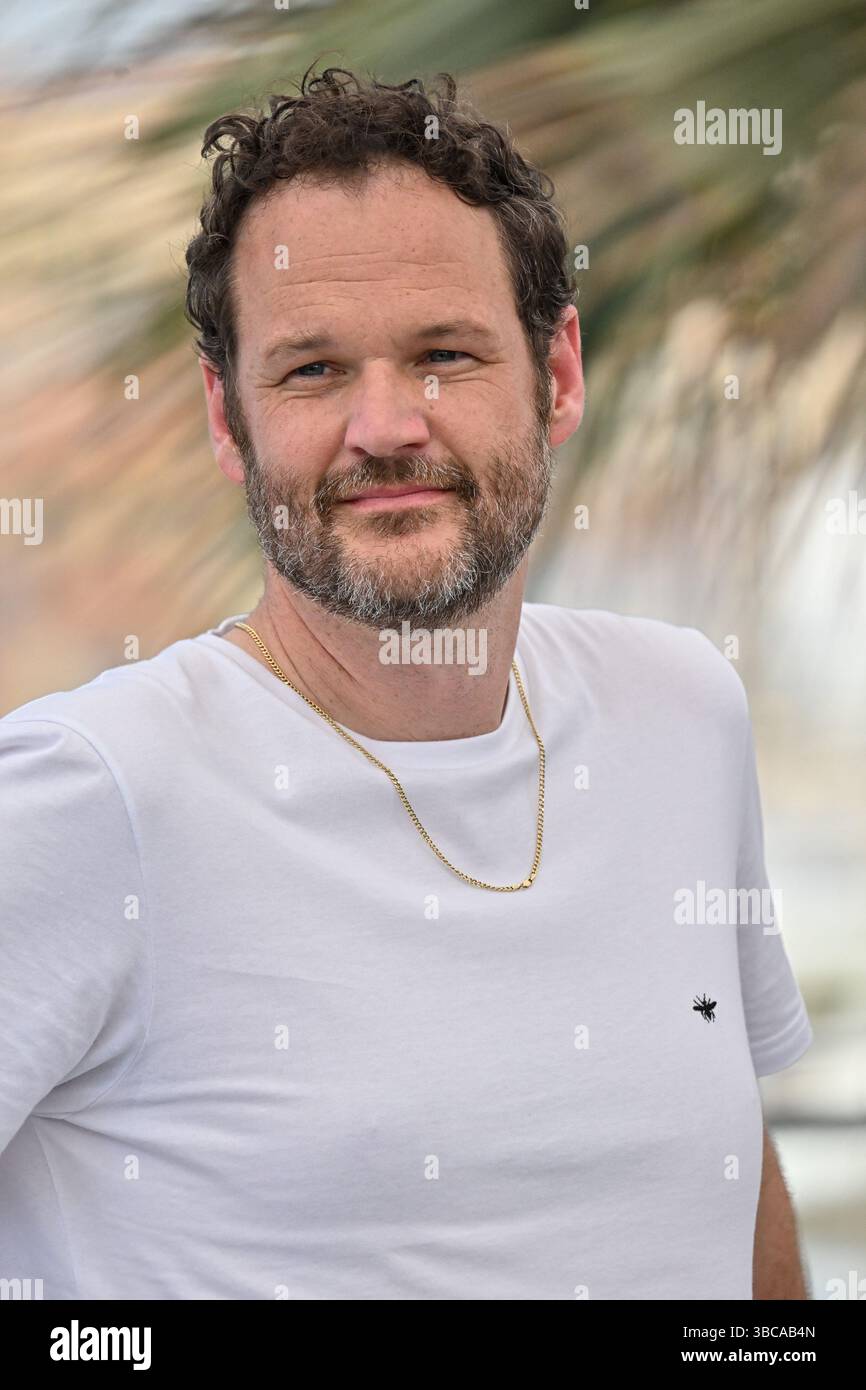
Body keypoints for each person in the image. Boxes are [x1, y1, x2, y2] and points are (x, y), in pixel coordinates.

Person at [0, 66, 812, 1301]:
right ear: (230, 420)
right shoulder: (89, 794)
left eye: (443, 354)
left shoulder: (683, 709)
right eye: (312, 371)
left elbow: (729, 1177)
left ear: (557, 375)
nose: (385, 426)